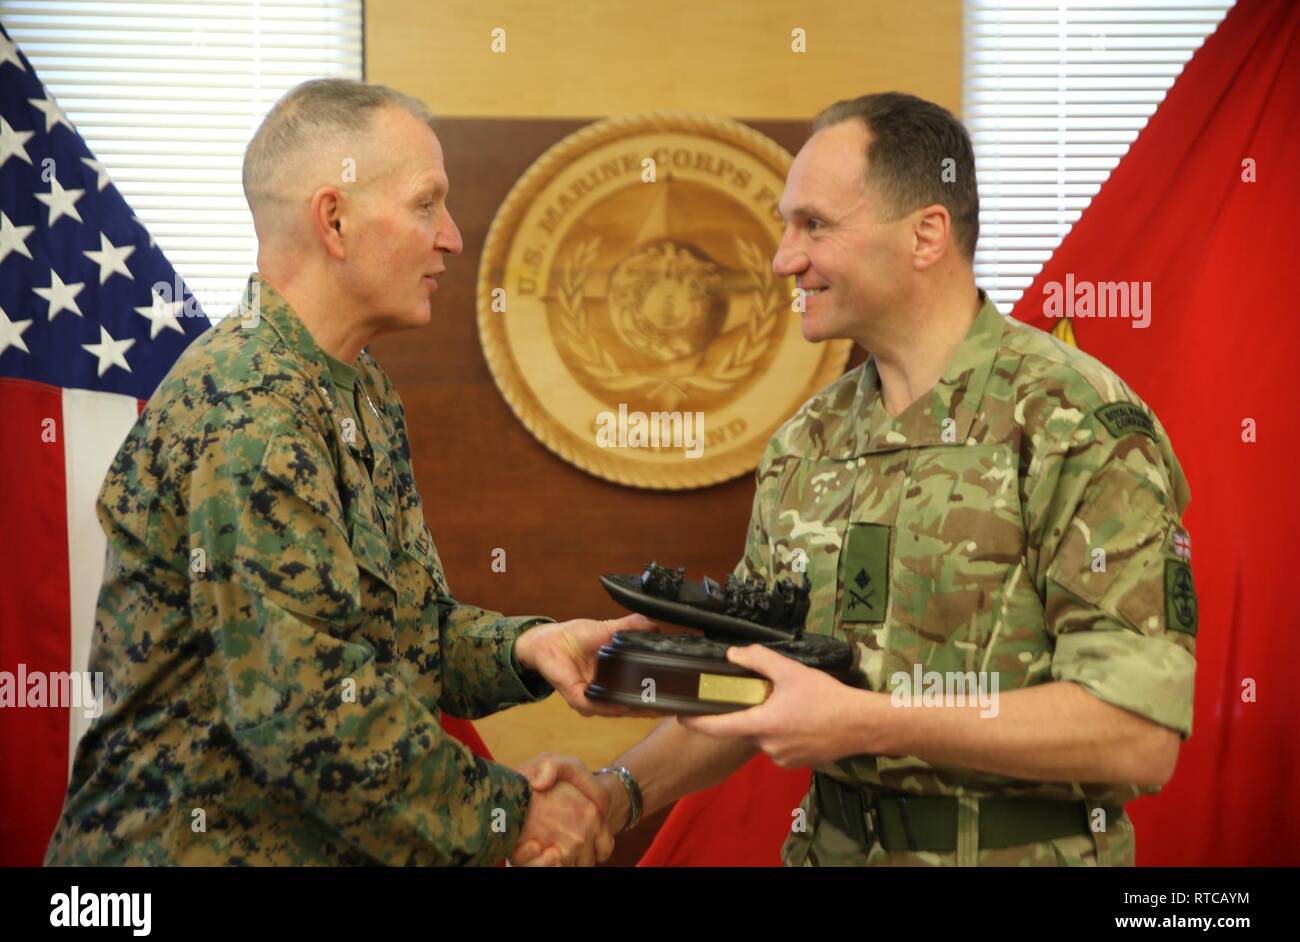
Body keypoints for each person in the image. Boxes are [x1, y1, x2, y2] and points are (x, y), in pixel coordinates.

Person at [556, 92, 1197, 867]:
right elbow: (757, 686)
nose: (784, 257)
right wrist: (613, 793)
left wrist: (869, 720)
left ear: (927, 234)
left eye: (815, 226)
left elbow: (1135, 733)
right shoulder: (806, 443)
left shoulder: (1073, 422)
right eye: (787, 224)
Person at [44, 78, 644, 867]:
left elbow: (402, 632)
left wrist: (527, 648)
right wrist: (513, 815)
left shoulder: (355, 388)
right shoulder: (250, 406)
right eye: (427, 204)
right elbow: (302, 710)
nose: (453, 238)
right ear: (334, 219)